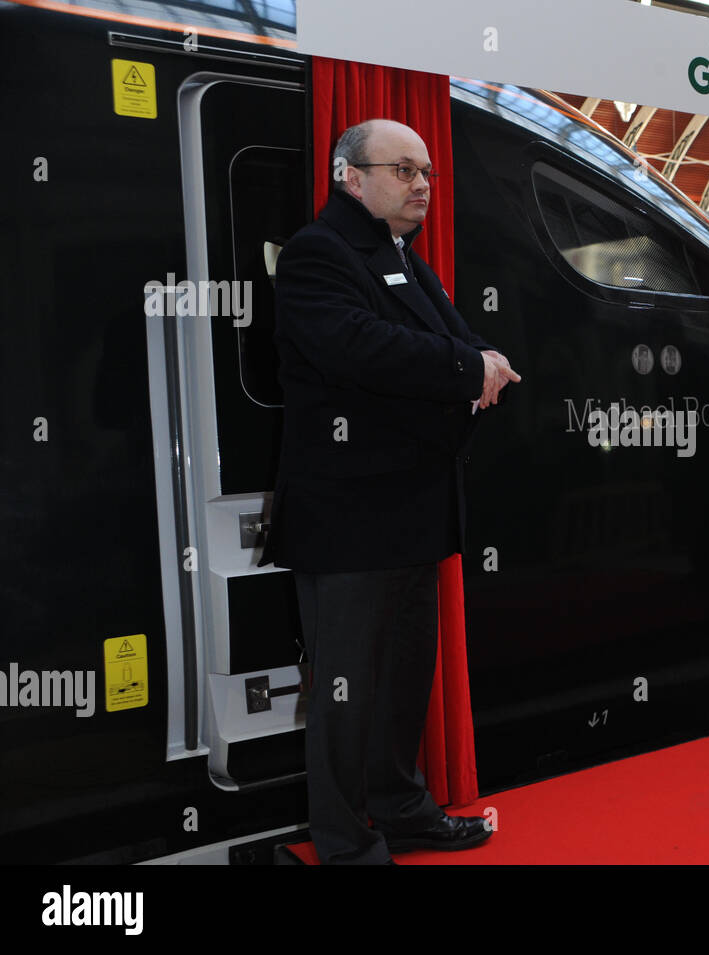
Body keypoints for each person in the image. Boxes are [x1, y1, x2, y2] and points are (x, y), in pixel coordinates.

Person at [259, 119, 521, 864]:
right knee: (344, 694)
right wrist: (468, 371)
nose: (421, 186)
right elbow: (359, 348)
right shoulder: (319, 253)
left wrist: (480, 360)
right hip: (347, 521)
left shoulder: (402, 254)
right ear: (349, 174)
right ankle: (345, 846)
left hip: (411, 513)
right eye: (403, 170)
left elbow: (453, 342)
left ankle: (402, 809)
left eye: (428, 173)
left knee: (404, 682)